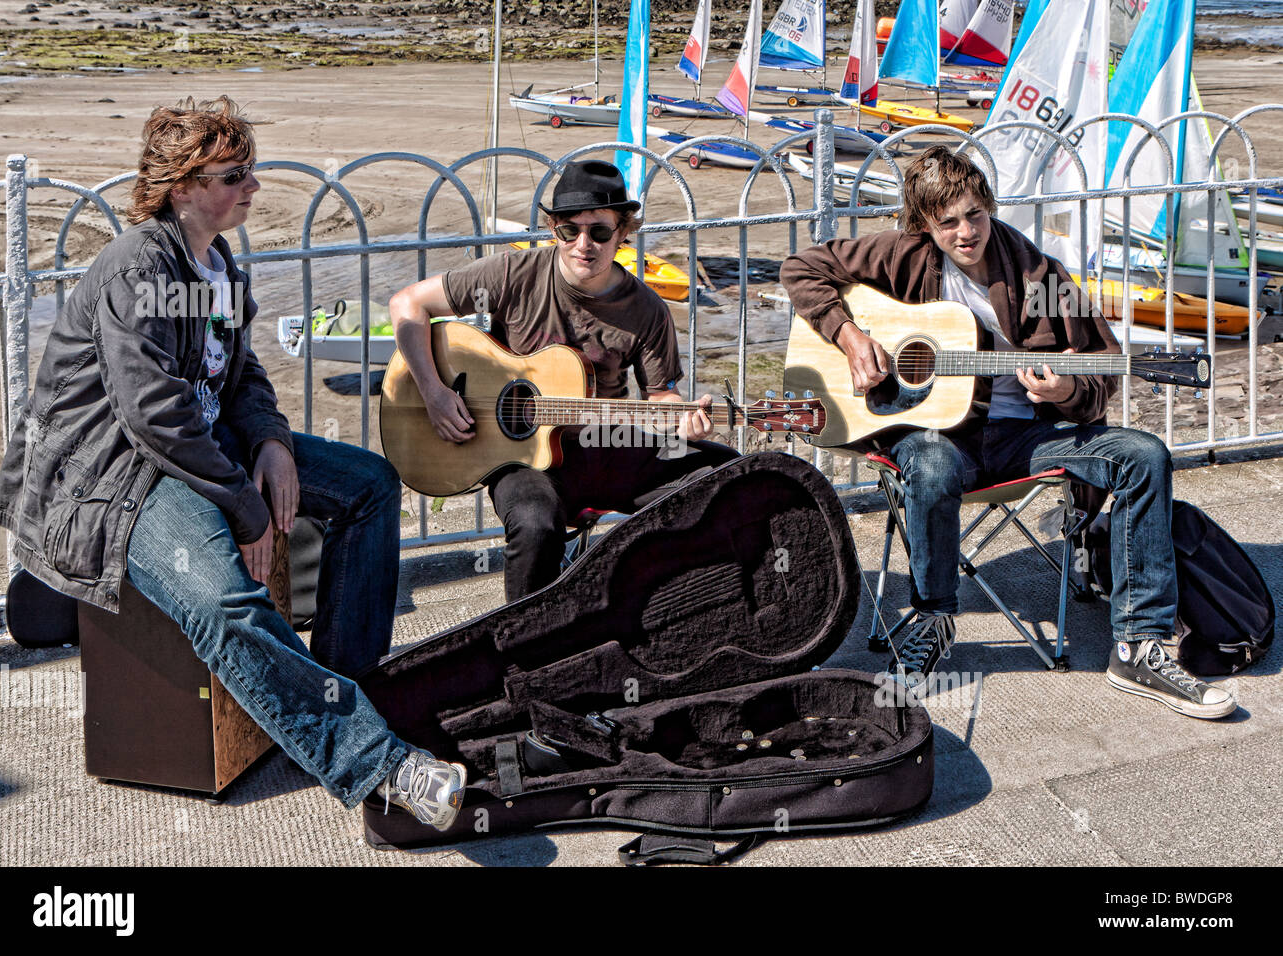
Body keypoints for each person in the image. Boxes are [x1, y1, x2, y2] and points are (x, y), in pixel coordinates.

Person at [0, 97, 466, 829]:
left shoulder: (216, 261)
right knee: (222, 603)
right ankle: (378, 763)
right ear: (182, 186)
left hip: (199, 447)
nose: (253, 187)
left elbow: (238, 374)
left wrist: (272, 441)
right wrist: (246, 504)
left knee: (367, 486)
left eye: (252, 171)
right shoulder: (136, 267)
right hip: (118, 475)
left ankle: (342, 692)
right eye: (234, 174)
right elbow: (152, 413)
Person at [780, 144, 1236, 720]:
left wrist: (1066, 393)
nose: (964, 232)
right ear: (925, 224)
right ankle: (932, 619)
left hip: (1027, 441)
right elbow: (800, 269)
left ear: (989, 206)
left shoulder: (1040, 277)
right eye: (947, 222)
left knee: (1143, 453)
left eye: (974, 214)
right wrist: (850, 336)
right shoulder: (903, 256)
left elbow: (1100, 366)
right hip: (938, 438)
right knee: (933, 461)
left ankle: (1138, 645)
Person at [389, 159, 738, 602]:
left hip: (603, 444)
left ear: (624, 231)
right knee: (536, 523)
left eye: (600, 231)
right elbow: (407, 305)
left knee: (725, 474)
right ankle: (525, 647)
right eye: (570, 230)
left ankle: (674, 603)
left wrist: (684, 418)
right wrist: (434, 393)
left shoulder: (647, 310)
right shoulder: (513, 274)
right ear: (554, 229)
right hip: (516, 454)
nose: (584, 244)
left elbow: (661, 396)